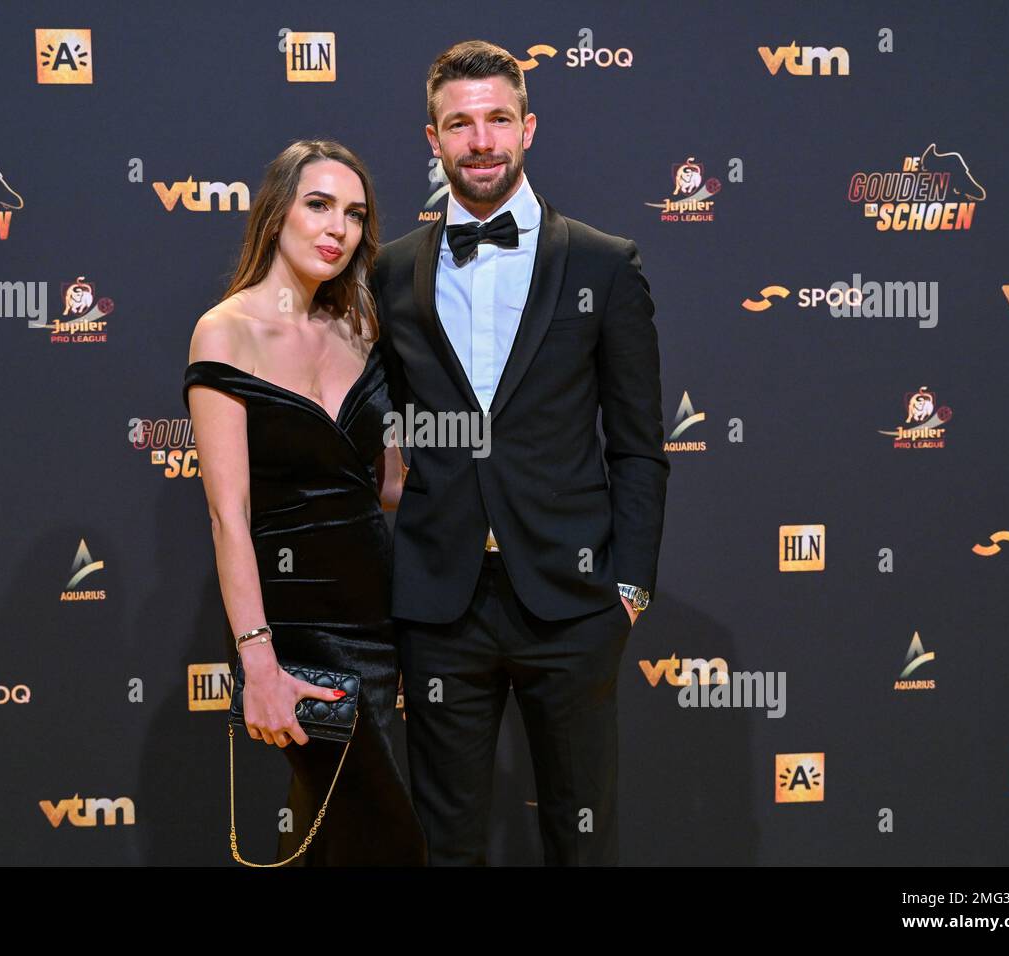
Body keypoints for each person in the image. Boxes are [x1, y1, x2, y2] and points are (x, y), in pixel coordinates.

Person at [370, 40, 670, 865]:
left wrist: (630, 588)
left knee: (581, 840)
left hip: (573, 602)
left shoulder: (605, 265)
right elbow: (376, 435)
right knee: (443, 845)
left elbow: (641, 445)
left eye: (498, 118)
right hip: (439, 607)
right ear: (432, 140)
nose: (481, 140)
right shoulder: (391, 274)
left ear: (528, 127)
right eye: (459, 124)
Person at [183, 140, 426, 866]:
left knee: (331, 836)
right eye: (319, 205)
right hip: (294, 630)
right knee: (386, 839)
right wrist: (257, 663)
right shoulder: (225, 331)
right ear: (277, 212)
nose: (338, 228)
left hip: (380, 619)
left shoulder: (358, 327)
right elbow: (229, 515)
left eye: (354, 214)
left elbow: (381, 483)